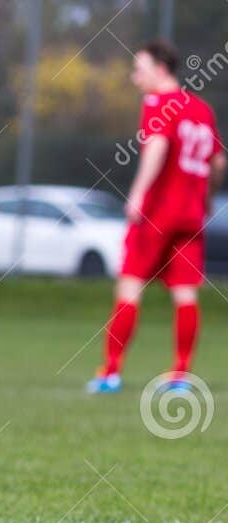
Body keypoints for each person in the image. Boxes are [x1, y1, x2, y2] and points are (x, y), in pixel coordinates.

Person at [90, 40, 224, 395]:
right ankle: (181, 375)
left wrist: (137, 193)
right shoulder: (201, 108)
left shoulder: (158, 103)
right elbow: (218, 162)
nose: (135, 77)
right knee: (185, 296)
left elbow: (158, 147)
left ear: (160, 69)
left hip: (157, 213)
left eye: (139, 69)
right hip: (191, 216)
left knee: (130, 287)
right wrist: (206, 199)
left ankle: (110, 373)